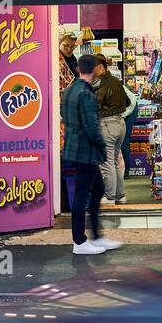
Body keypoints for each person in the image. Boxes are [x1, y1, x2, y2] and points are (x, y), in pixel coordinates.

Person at [60, 55, 122, 255]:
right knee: (82, 196)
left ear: (78, 69)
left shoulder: (69, 91)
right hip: (85, 152)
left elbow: (66, 117)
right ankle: (79, 241)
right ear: (95, 70)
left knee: (97, 191)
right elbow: (91, 126)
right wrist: (102, 146)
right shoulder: (86, 94)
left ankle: (96, 236)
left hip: (74, 148)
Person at [92, 54, 129, 204]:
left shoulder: (101, 83)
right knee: (113, 161)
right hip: (120, 123)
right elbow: (127, 101)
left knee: (106, 162)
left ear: (100, 67)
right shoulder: (115, 81)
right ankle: (120, 195)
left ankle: (110, 196)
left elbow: (96, 104)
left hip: (107, 124)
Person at [121, 80, 139, 175]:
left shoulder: (110, 85)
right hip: (123, 110)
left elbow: (129, 102)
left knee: (124, 140)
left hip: (130, 109)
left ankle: (126, 170)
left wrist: (122, 115)